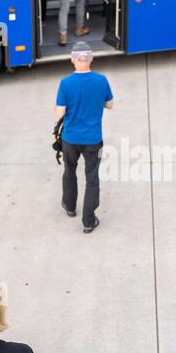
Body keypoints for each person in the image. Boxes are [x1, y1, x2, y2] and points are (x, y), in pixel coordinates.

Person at [55, 43, 113, 233]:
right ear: (91, 58)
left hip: (70, 139)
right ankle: (88, 221)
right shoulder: (101, 80)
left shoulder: (65, 83)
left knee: (70, 171)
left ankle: (70, 207)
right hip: (93, 140)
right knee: (92, 178)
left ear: (72, 59)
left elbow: (59, 112)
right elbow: (109, 104)